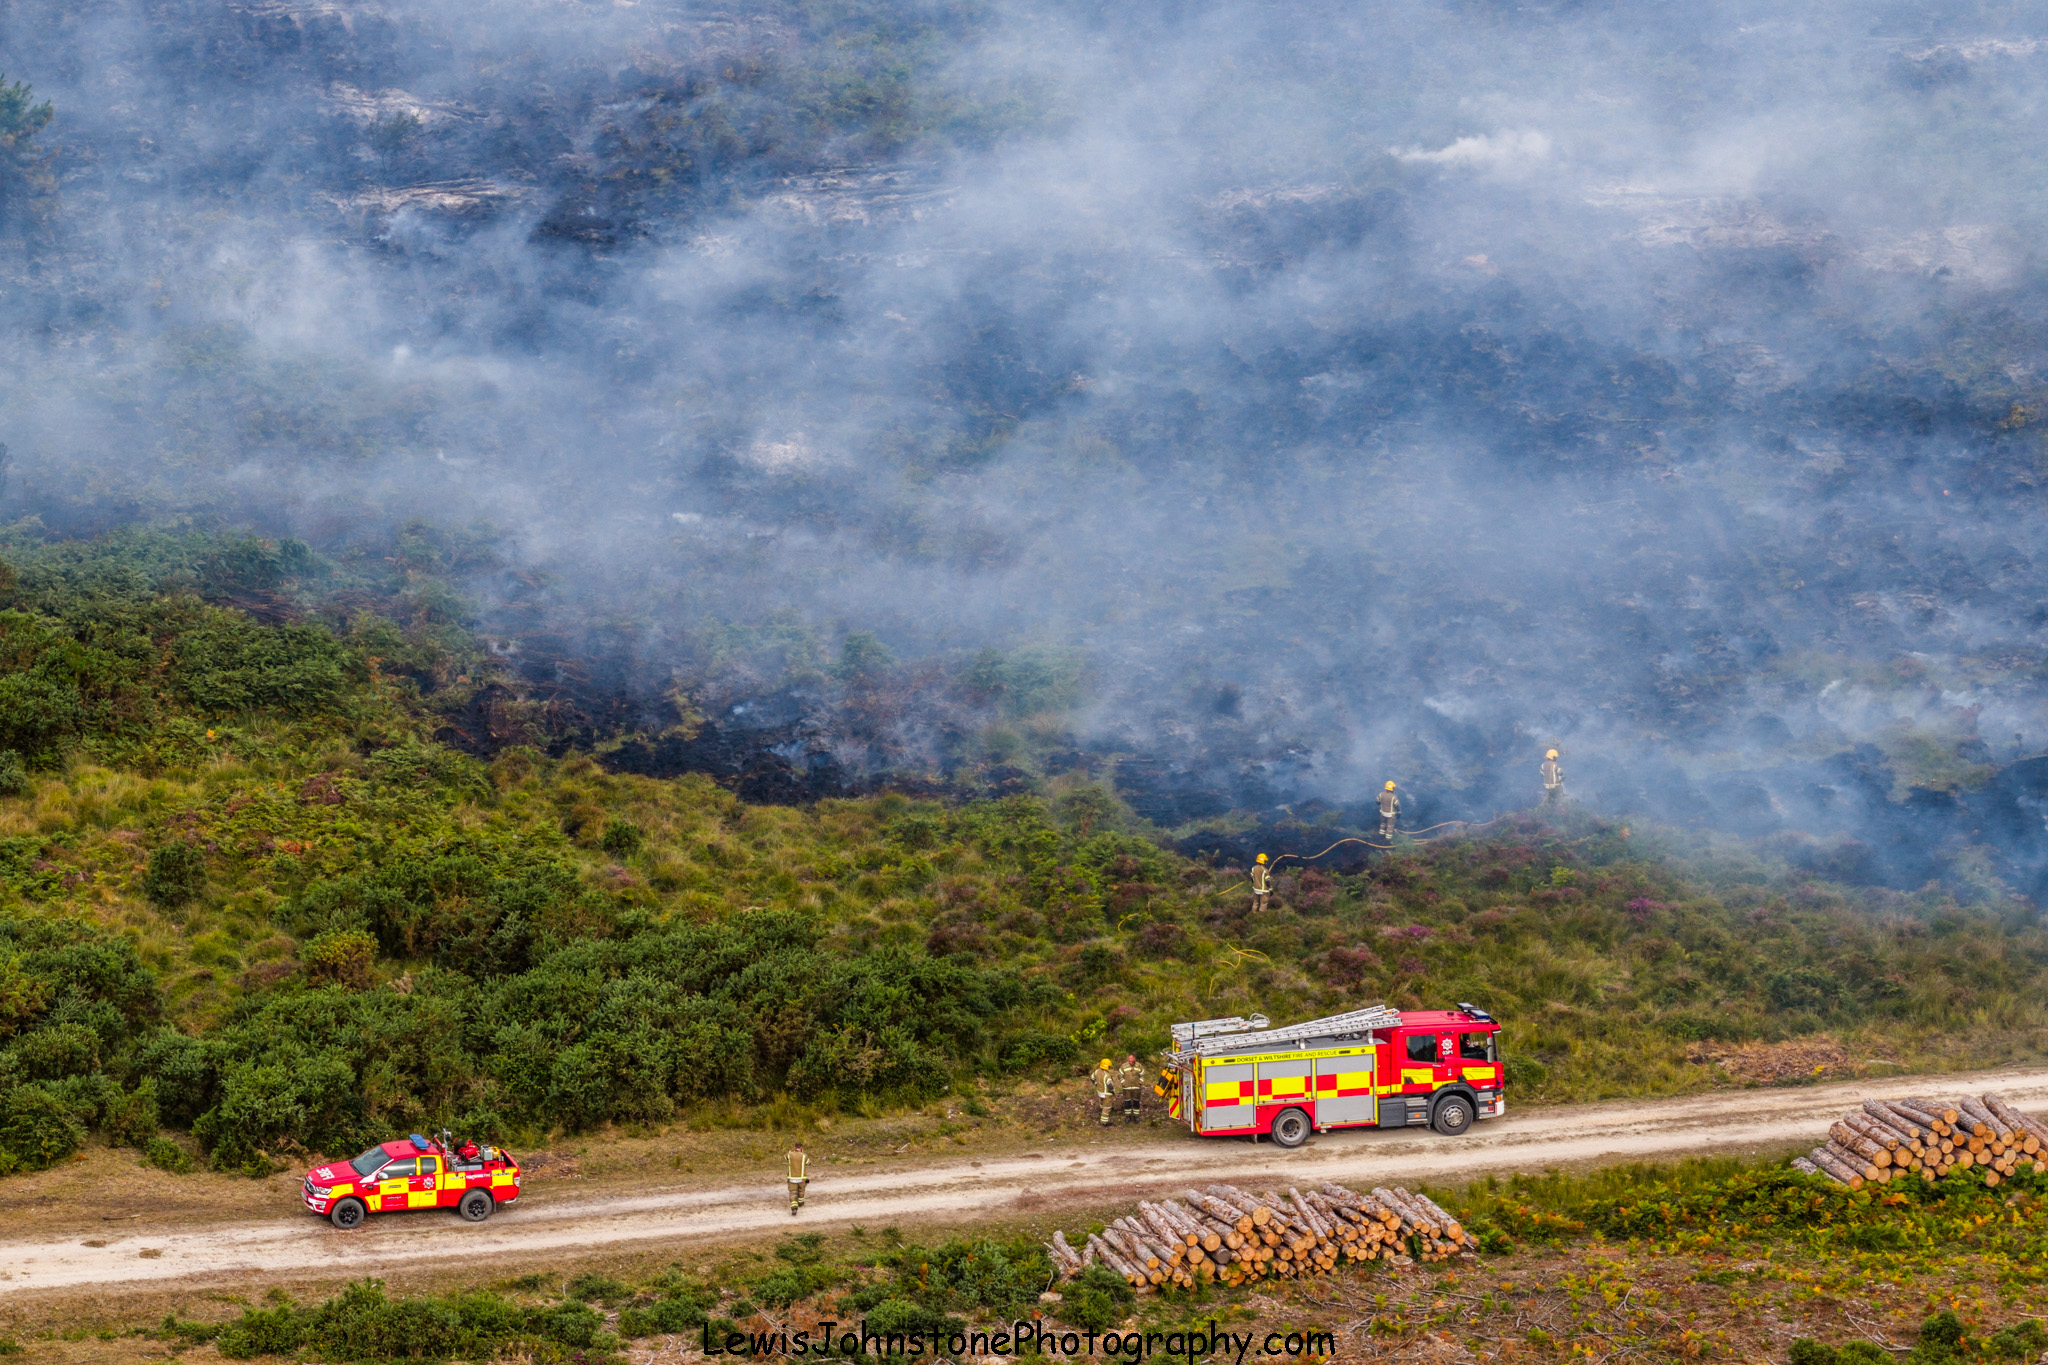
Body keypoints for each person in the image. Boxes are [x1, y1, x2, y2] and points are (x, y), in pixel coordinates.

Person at [1117, 1053, 1146, 1122]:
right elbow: (1119, 1075)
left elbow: (1143, 1075)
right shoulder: (1124, 1066)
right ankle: (1128, 1117)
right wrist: (1123, 1082)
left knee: (1136, 1102)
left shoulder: (1139, 1066)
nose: (1131, 1062)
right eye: (1129, 1061)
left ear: (1134, 1059)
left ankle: (1136, 1117)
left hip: (1136, 1087)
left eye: (1132, 1061)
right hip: (1127, 1088)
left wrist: (1140, 1082)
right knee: (1127, 1102)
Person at [1091, 1057, 1117, 1126]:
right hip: (1106, 1093)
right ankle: (1104, 1122)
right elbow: (1110, 1086)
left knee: (1102, 1104)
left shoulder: (1097, 1071)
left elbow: (1092, 1078)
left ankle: (1101, 1112)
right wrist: (1113, 1091)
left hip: (1100, 1092)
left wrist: (1096, 1084)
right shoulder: (1107, 1075)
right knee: (1106, 1108)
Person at [786, 1142, 808, 1215]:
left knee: (793, 1192)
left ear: (794, 1147)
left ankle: (794, 1208)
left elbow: (786, 1157)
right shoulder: (804, 1156)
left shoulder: (789, 1155)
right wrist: (802, 1153)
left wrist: (791, 1152)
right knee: (801, 1191)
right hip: (802, 1178)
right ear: (801, 1148)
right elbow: (809, 1163)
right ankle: (801, 1202)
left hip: (792, 1178)